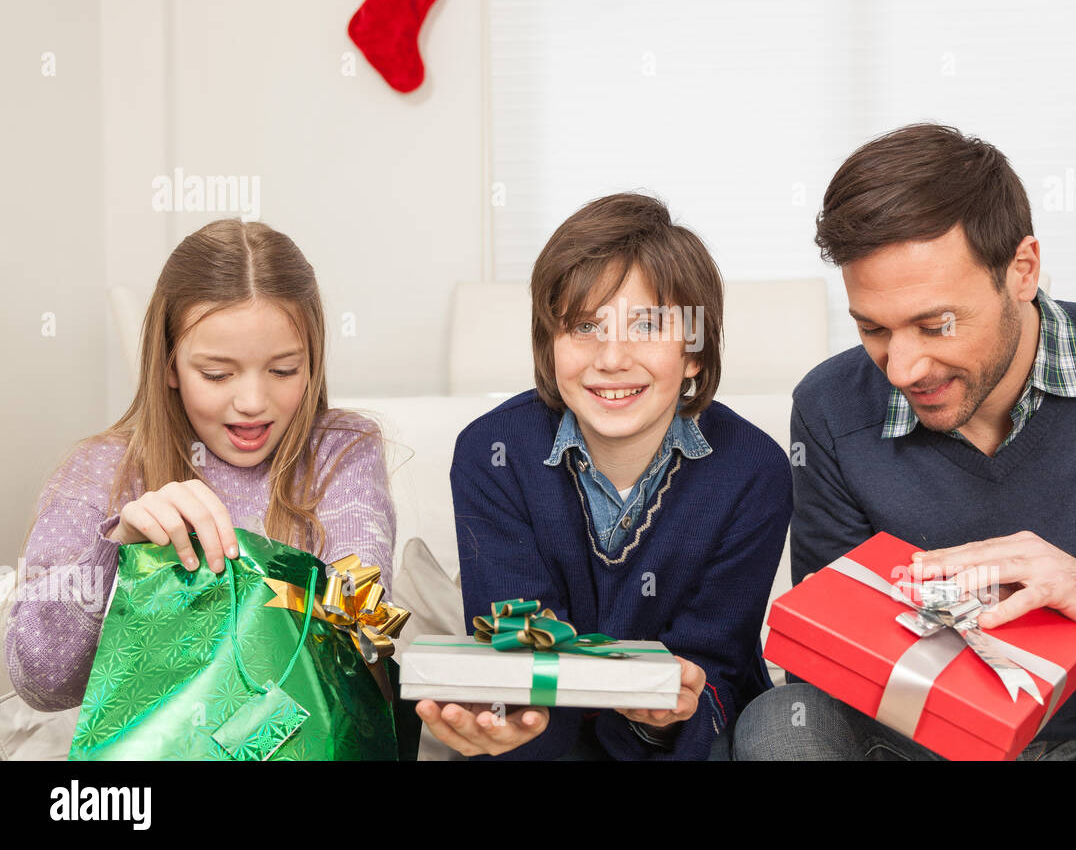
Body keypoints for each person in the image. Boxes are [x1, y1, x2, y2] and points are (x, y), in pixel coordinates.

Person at [735, 123, 1076, 760]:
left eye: (936, 325)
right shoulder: (831, 406)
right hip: (928, 752)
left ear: (1022, 270)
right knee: (787, 718)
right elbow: (828, 663)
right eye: (874, 329)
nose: (902, 368)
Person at [417, 193, 792, 760]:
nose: (612, 359)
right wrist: (512, 721)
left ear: (694, 351)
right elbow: (520, 643)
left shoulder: (754, 471)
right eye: (584, 326)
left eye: (646, 327)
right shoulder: (491, 452)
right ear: (549, 345)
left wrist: (660, 719)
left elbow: (714, 668)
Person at [4, 219, 396, 713]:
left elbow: (362, 638)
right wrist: (120, 554)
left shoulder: (341, 450)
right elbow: (40, 681)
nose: (253, 401)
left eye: (284, 370)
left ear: (314, 361)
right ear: (169, 364)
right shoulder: (98, 470)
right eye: (217, 374)